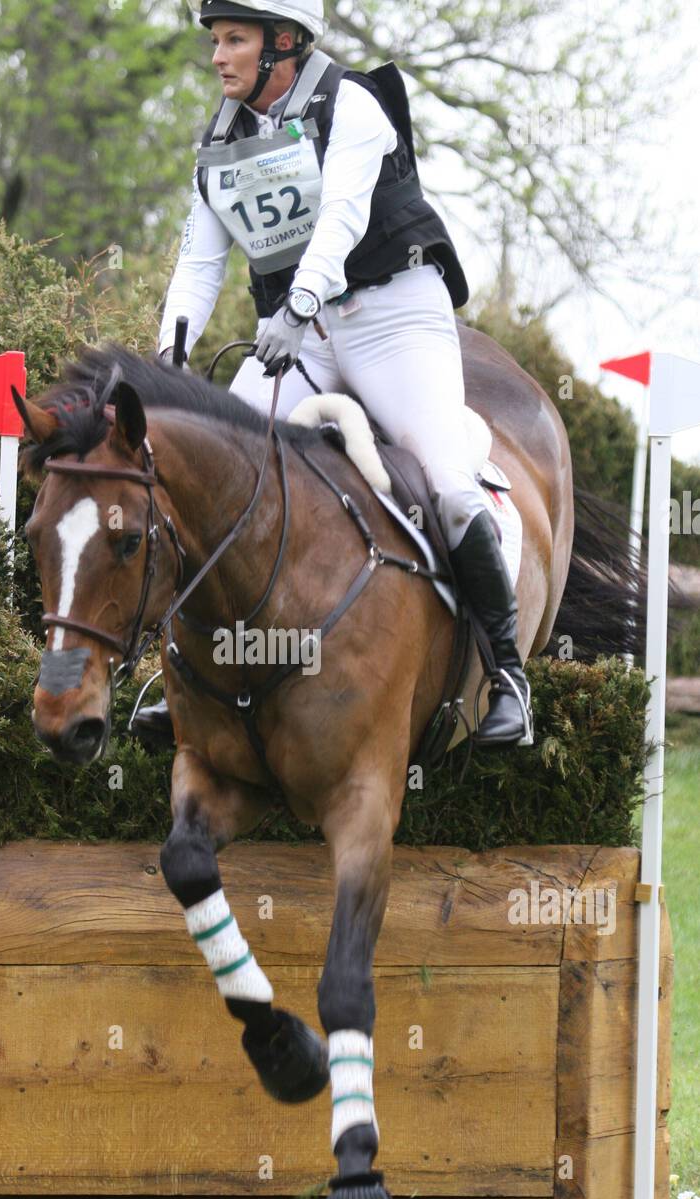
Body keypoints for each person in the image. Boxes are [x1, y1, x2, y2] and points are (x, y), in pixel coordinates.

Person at [135, 0, 533, 749]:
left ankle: (506, 674)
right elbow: (199, 261)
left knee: (448, 481)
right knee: (217, 466)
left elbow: (341, 220)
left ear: (281, 43)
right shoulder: (222, 138)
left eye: (234, 40)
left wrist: (297, 305)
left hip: (394, 318)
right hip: (304, 334)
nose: (217, 56)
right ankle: (184, 673)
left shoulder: (352, 105)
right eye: (215, 41)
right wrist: (171, 356)